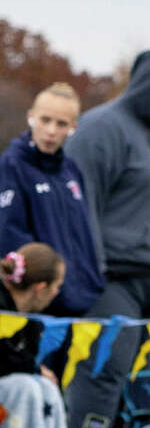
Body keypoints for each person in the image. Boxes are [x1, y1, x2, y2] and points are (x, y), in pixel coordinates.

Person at [63, 49, 150, 428]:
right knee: (102, 373)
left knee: (129, 380)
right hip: (112, 280)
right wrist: (91, 273)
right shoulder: (100, 129)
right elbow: (78, 206)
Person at [0, 83, 104, 320]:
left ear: (73, 127)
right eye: (45, 120)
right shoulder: (11, 166)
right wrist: (44, 286)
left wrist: (92, 279)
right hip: (37, 306)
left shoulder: (71, 172)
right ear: (31, 117)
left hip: (80, 302)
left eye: (61, 124)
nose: (51, 131)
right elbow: (10, 236)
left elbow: (85, 235)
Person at [0, 244, 72, 428]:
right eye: (57, 286)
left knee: (46, 388)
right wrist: (32, 369)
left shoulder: (31, 320)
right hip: (12, 393)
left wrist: (36, 371)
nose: (58, 294)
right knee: (26, 387)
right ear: (41, 287)